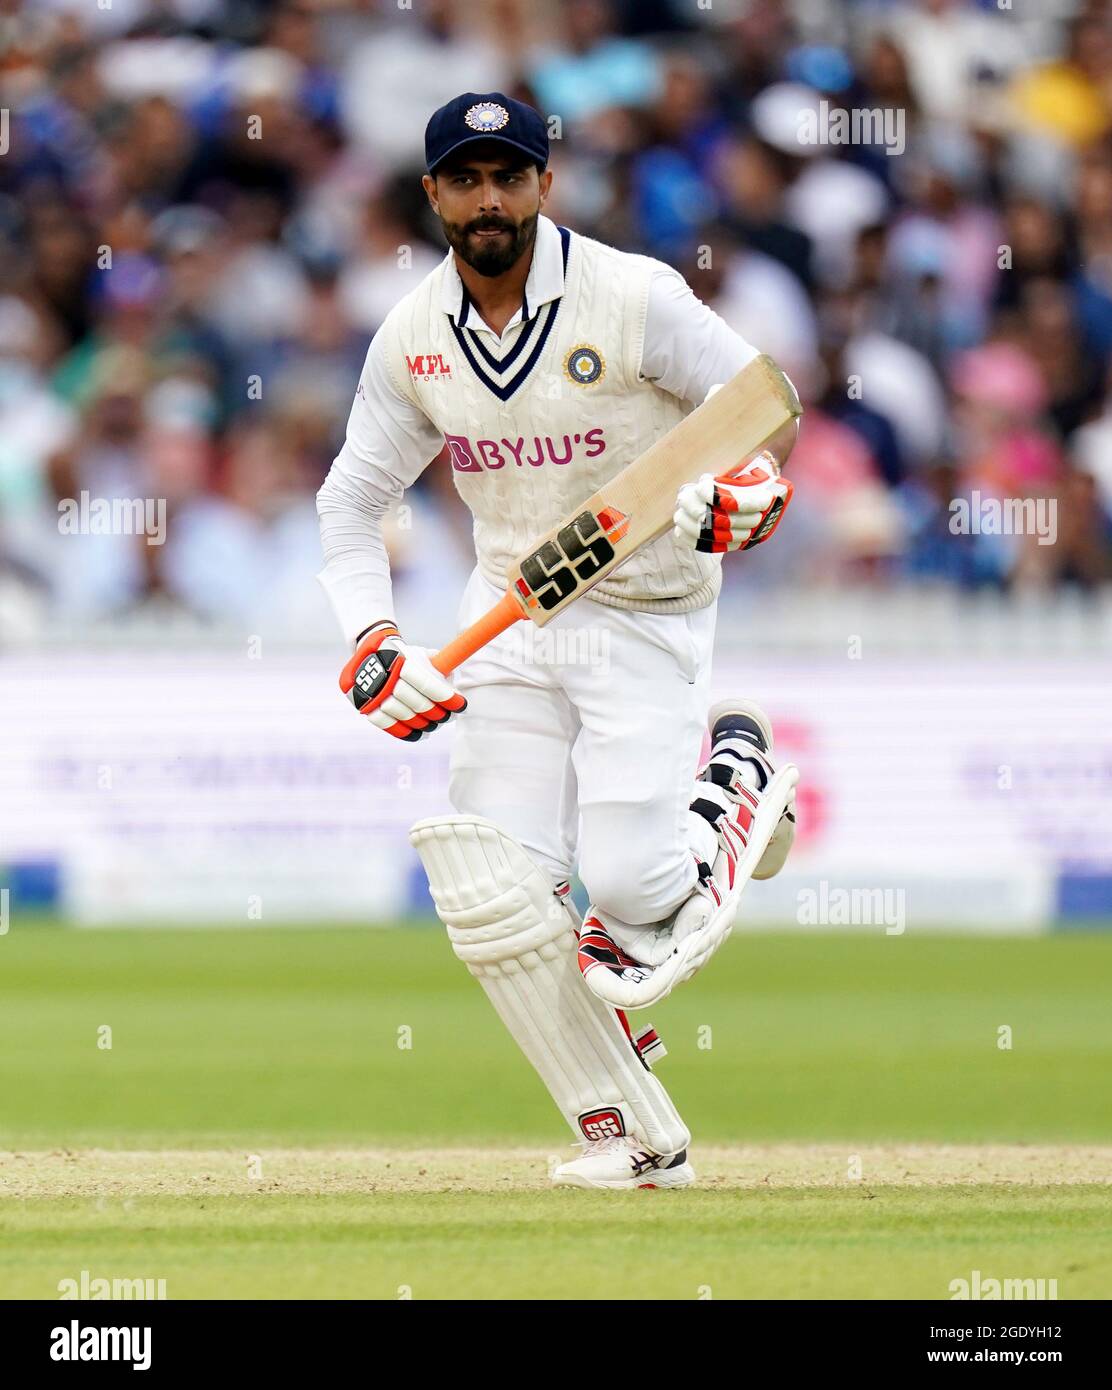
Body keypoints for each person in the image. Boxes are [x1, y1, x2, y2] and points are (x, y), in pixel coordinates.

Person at [316, 92, 799, 1189]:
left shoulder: (631, 297)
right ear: (432, 192)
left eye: (511, 175)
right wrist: (373, 639)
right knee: (494, 896)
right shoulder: (414, 339)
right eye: (467, 178)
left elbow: (762, 404)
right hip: (514, 615)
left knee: (631, 901)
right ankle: (634, 1142)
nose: (490, 199)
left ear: (545, 183)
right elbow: (349, 503)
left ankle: (738, 773)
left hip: (642, 607)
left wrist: (746, 492)